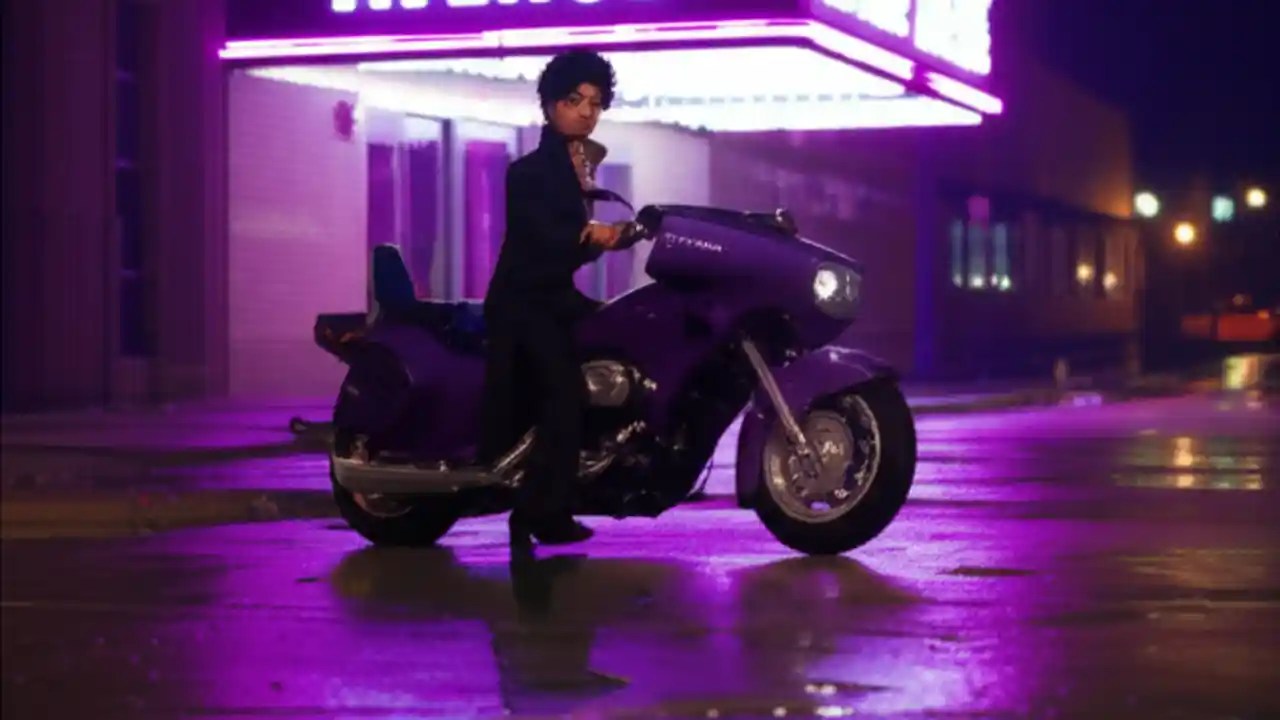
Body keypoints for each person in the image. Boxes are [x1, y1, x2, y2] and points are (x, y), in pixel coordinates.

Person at [479, 49, 626, 547]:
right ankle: (539, 511)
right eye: (574, 99)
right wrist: (592, 237)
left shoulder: (577, 166)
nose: (587, 110)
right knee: (563, 395)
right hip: (523, 305)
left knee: (627, 336)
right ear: (548, 105)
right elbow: (543, 239)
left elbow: (571, 246)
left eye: (596, 102)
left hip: (556, 297)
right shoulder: (528, 172)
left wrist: (623, 234)